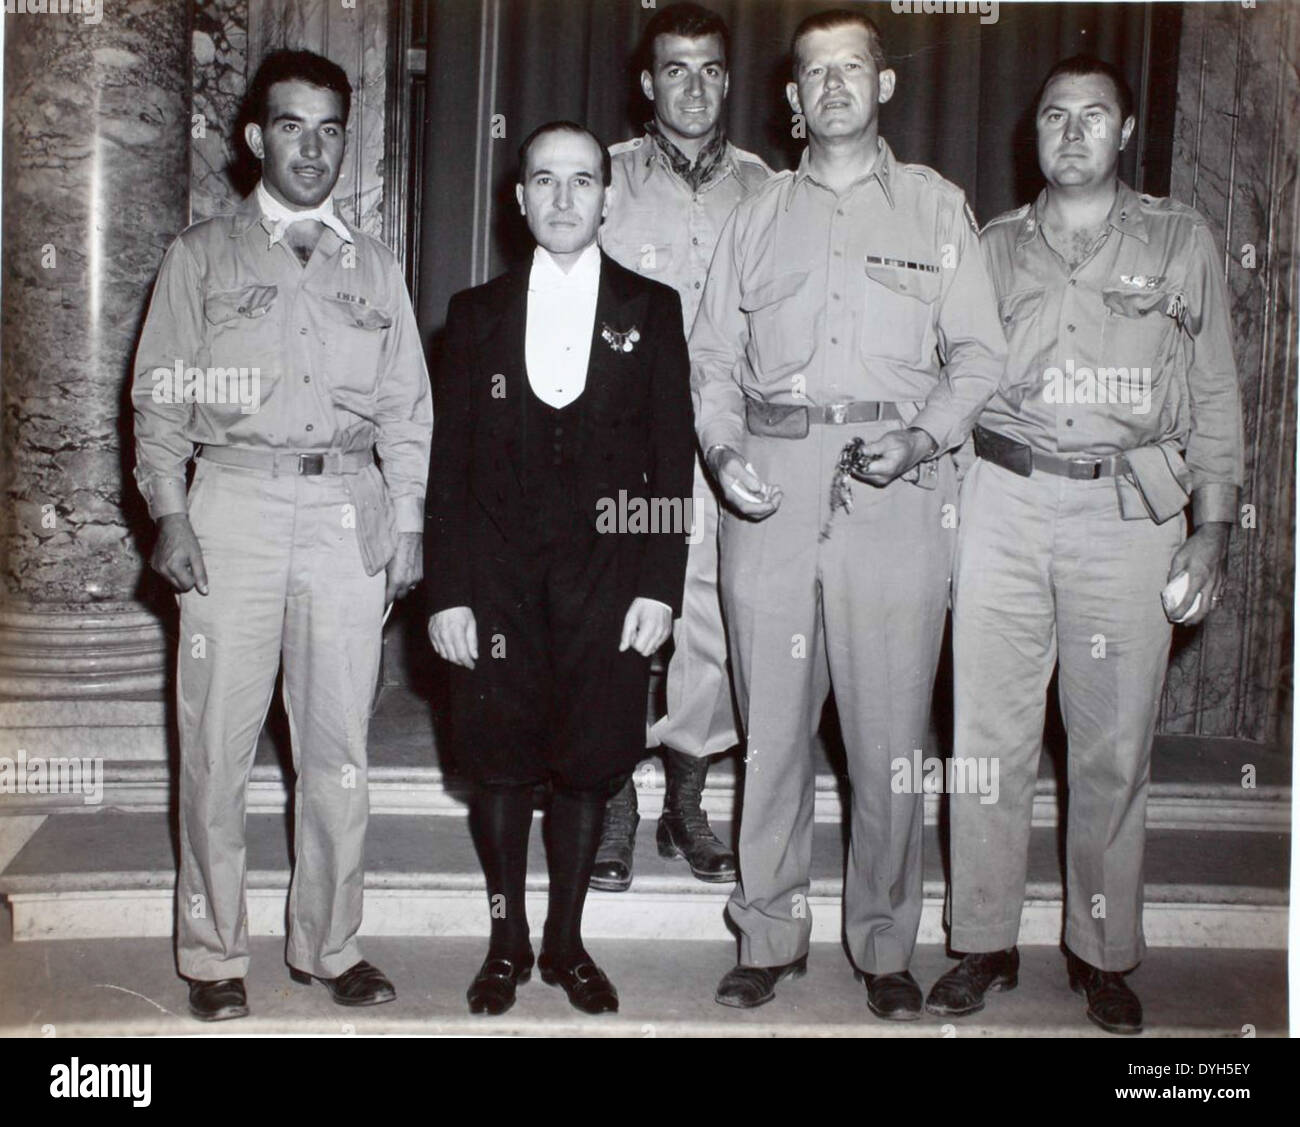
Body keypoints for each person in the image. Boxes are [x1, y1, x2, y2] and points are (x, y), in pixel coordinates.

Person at [690, 10, 1005, 1018]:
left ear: (886, 86)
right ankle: (768, 932)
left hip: (895, 486)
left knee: (886, 737)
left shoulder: (935, 209)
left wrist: (921, 438)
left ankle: (883, 945)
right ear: (791, 97)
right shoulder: (754, 213)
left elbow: (980, 356)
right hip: (772, 484)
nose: (831, 85)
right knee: (771, 729)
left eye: (851, 68)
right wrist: (724, 451)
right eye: (812, 71)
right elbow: (708, 361)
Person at [925, 55, 1244, 1035]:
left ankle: (1101, 950)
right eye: (1054, 115)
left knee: (1110, 746)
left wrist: (1213, 530)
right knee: (986, 742)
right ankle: (982, 939)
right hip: (1005, 504)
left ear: (1125, 128)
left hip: (1128, 515)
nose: (1070, 132)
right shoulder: (992, 245)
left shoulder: (1178, 238)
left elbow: (1215, 396)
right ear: (1035, 134)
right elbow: (954, 379)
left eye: (1091, 115)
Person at [132, 49, 432, 1021]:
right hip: (233, 509)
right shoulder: (201, 256)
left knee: (339, 747)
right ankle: (215, 954)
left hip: (349, 512)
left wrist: (411, 518)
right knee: (216, 746)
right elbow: (158, 397)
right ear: (257, 137)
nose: (313, 147)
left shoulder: (374, 267)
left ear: (348, 137)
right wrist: (169, 511)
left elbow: (406, 410)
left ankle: (328, 942)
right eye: (293, 126)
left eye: (331, 128)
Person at [426, 122, 694, 1016]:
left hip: (610, 585)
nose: (565, 199)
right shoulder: (474, 314)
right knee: (500, 768)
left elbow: (670, 459)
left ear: (609, 196)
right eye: (546, 181)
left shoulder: (652, 310)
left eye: (583, 181)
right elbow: (447, 472)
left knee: (586, 767)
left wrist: (660, 585)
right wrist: (449, 593)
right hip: (497, 586)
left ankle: (565, 941)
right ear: (519, 198)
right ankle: (506, 943)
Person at [593, 1, 771, 892]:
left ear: (729, 80)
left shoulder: (767, 187)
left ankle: (688, 801)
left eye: (709, 70)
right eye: (675, 69)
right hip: (628, 445)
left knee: (715, 621)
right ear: (646, 82)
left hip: (725, 439)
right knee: (622, 611)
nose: (693, 87)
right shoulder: (605, 181)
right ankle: (617, 798)